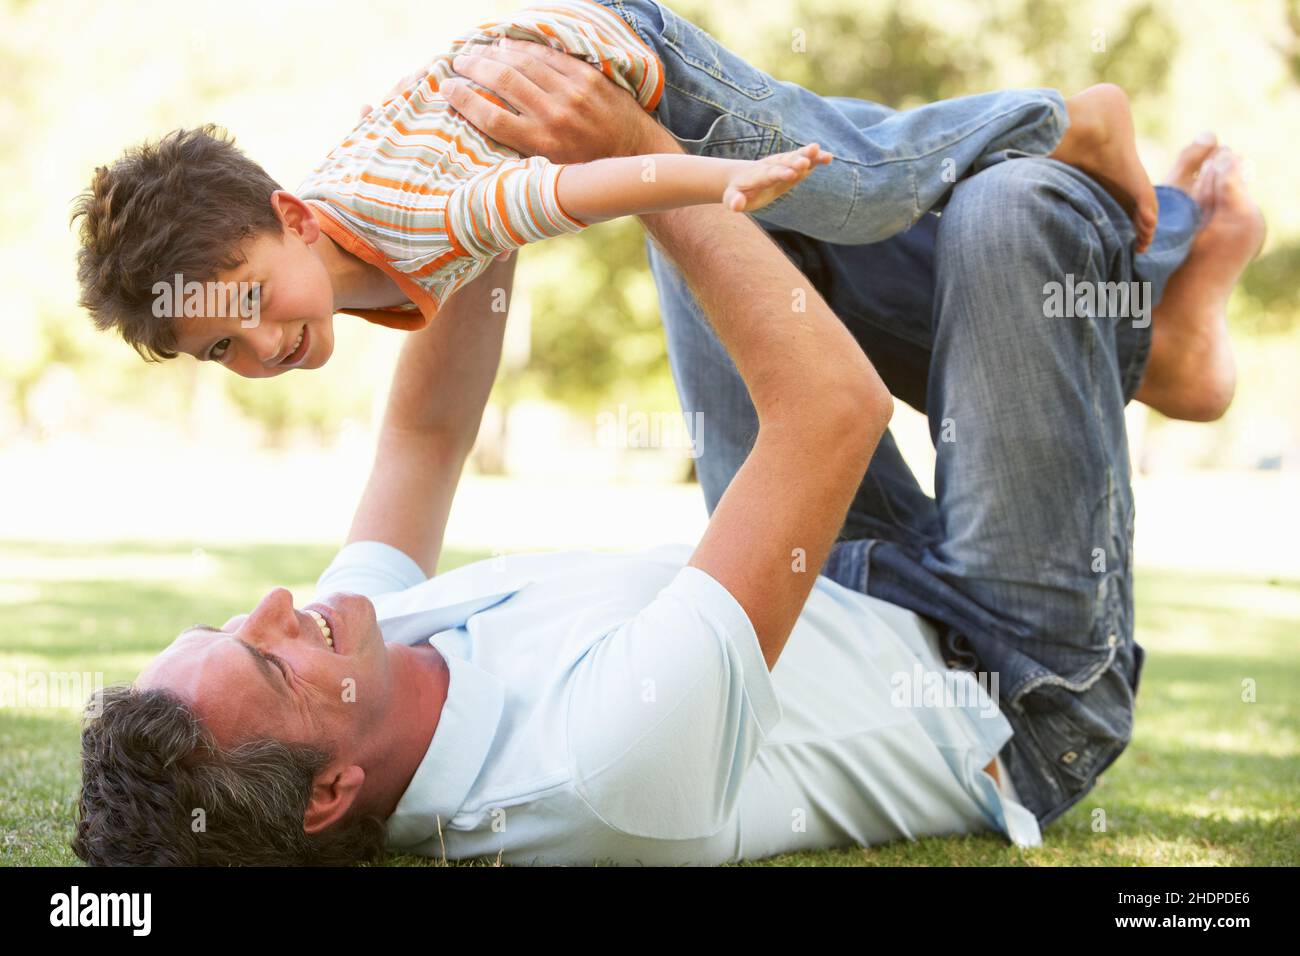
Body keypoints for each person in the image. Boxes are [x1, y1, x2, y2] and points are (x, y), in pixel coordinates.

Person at [71, 0, 1156, 378]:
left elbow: (611, 183)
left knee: (855, 190)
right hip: (548, 55)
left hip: (620, 62)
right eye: (221, 349)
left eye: (251, 308)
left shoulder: (426, 218)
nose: (261, 350)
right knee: (837, 161)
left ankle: (1069, 118)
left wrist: (731, 179)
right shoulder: (320, 249)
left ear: (295, 222)